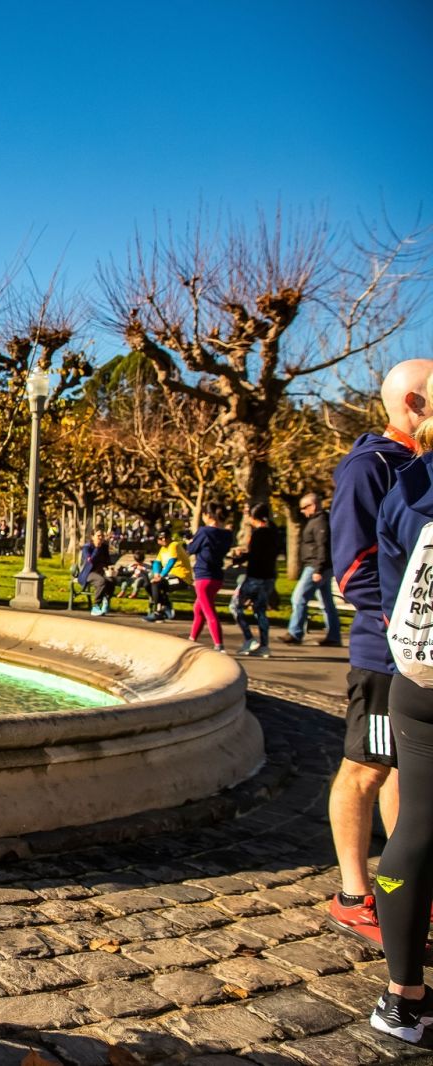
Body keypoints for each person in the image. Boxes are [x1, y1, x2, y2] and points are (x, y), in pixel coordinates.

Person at [325, 358, 431, 949]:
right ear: (414, 403)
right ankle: (352, 893)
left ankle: (400, 883)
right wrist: (411, 625)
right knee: (364, 767)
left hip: (417, 655)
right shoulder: (372, 467)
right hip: (386, 653)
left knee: (401, 769)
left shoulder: (420, 463)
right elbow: (355, 573)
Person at [365, 388, 433, 1045]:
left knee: (414, 827)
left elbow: (384, 583)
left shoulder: (406, 483)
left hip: (416, 673)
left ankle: (402, 998)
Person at [284, 492, 342, 646]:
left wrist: (318, 569)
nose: (302, 511)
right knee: (326, 602)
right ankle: (334, 636)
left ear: (313, 505)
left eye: (304, 508)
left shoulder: (320, 522)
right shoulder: (318, 521)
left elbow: (322, 546)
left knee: (298, 598)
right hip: (320, 566)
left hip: (315, 566)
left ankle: (295, 632)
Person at [230, 502, 279, 657]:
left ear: (253, 517)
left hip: (255, 577)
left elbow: (255, 556)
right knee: (260, 610)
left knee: (235, 605)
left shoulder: (259, 534)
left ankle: (249, 638)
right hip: (269, 577)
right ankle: (264, 645)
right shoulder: (274, 531)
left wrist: (239, 558)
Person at [185, 505, 234, 651]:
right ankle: (191, 639)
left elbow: (191, 549)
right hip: (216, 577)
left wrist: (190, 542)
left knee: (208, 611)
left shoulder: (204, 531)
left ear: (208, 515)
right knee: (198, 609)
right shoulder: (227, 534)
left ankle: (219, 644)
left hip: (203, 575)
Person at [144, 529, 190, 622]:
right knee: (148, 585)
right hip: (169, 577)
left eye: (166, 537)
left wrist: (161, 576)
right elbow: (157, 562)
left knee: (156, 584)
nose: (164, 540)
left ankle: (158, 612)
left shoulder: (174, 545)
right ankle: (166, 605)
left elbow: (171, 562)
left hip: (181, 577)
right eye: (161, 538)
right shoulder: (163, 549)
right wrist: (156, 574)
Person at [77, 530, 114, 615]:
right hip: (89, 573)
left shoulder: (104, 547)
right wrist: (97, 548)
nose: (101, 538)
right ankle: (95, 606)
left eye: (102, 536)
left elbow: (108, 561)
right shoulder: (87, 547)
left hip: (101, 571)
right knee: (101, 581)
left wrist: (111, 568)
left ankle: (106, 601)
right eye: (98, 536)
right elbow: (90, 561)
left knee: (111, 580)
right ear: (92, 537)